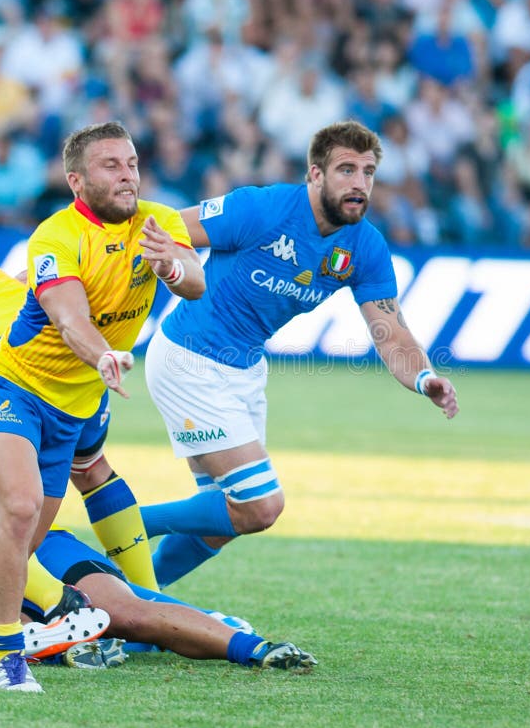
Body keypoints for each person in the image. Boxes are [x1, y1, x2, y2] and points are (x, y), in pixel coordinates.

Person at [0, 120, 205, 693]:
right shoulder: (49, 256)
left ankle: (129, 610)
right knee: (20, 510)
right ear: (76, 180)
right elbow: (69, 319)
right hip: (9, 377)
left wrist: (173, 266)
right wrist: (100, 355)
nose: (128, 174)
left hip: (63, 378)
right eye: (111, 165)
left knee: (26, 524)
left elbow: (193, 279)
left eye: (132, 163)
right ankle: (22, 640)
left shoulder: (156, 221)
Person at [143, 120, 459, 587]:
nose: (360, 183)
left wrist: (424, 378)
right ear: (315, 175)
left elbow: (391, 333)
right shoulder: (262, 207)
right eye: (346, 170)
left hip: (245, 369)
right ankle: (107, 524)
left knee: (222, 524)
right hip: (189, 359)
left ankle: (129, 604)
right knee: (260, 506)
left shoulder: (365, 245)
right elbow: (168, 229)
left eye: (368, 172)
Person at [0, 250, 162, 592]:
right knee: (91, 468)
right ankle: (150, 596)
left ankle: (61, 611)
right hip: (65, 351)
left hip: (4, 376)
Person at [0, 477, 316, 672]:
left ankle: (255, 648)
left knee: (124, 612)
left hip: (34, 542)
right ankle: (70, 642)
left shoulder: (0, 393)